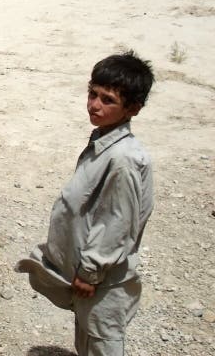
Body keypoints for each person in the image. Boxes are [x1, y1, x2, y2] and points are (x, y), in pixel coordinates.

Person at [16, 51, 155, 356]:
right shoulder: (103, 140)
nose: (94, 104)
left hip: (104, 282)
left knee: (102, 342)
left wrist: (90, 272)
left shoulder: (123, 159)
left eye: (108, 100)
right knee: (87, 338)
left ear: (133, 109)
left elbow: (116, 223)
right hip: (90, 276)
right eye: (92, 94)